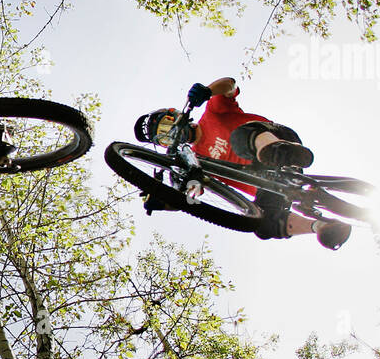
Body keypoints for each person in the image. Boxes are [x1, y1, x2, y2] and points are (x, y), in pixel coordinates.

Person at [133, 77, 351, 250]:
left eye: (166, 125)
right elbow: (189, 195)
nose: (169, 133)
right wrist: (162, 200)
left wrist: (207, 91)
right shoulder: (196, 161)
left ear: (176, 114)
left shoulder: (213, 114)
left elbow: (230, 85)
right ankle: (321, 227)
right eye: (163, 137)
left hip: (276, 140)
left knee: (239, 138)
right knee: (263, 225)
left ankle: (274, 151)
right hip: (269, 184)